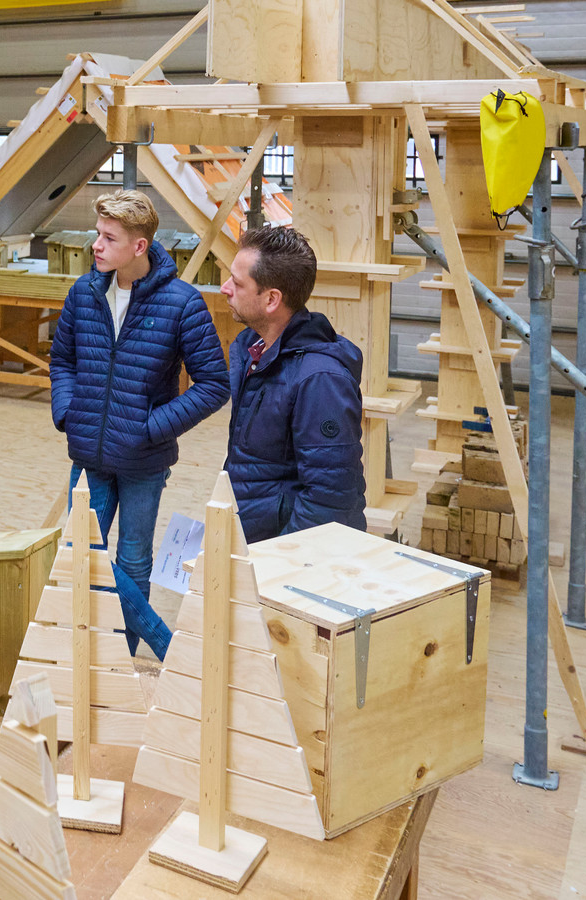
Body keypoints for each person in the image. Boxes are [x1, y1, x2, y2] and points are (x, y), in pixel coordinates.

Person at [49, 190, 228, 660]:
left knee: (132, 559)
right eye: (97, 234)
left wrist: (152, 428)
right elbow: (62, 359)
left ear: (139, 246)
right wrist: (68, 412)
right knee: (81, 550)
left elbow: (214, 384)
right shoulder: (84, 293)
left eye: (109, 238)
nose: (96, 245)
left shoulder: (182, 303)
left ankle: (122, 659)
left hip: (144, 460)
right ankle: (161, 642)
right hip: (89, 454)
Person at [221, 225, 366, 543]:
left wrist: (278, 559)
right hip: (255, 538)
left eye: (237, 282)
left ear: (272, 299)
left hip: (287, 554)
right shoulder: (253, 351)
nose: (224, 288)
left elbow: (330, 500)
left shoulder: (320, 380)